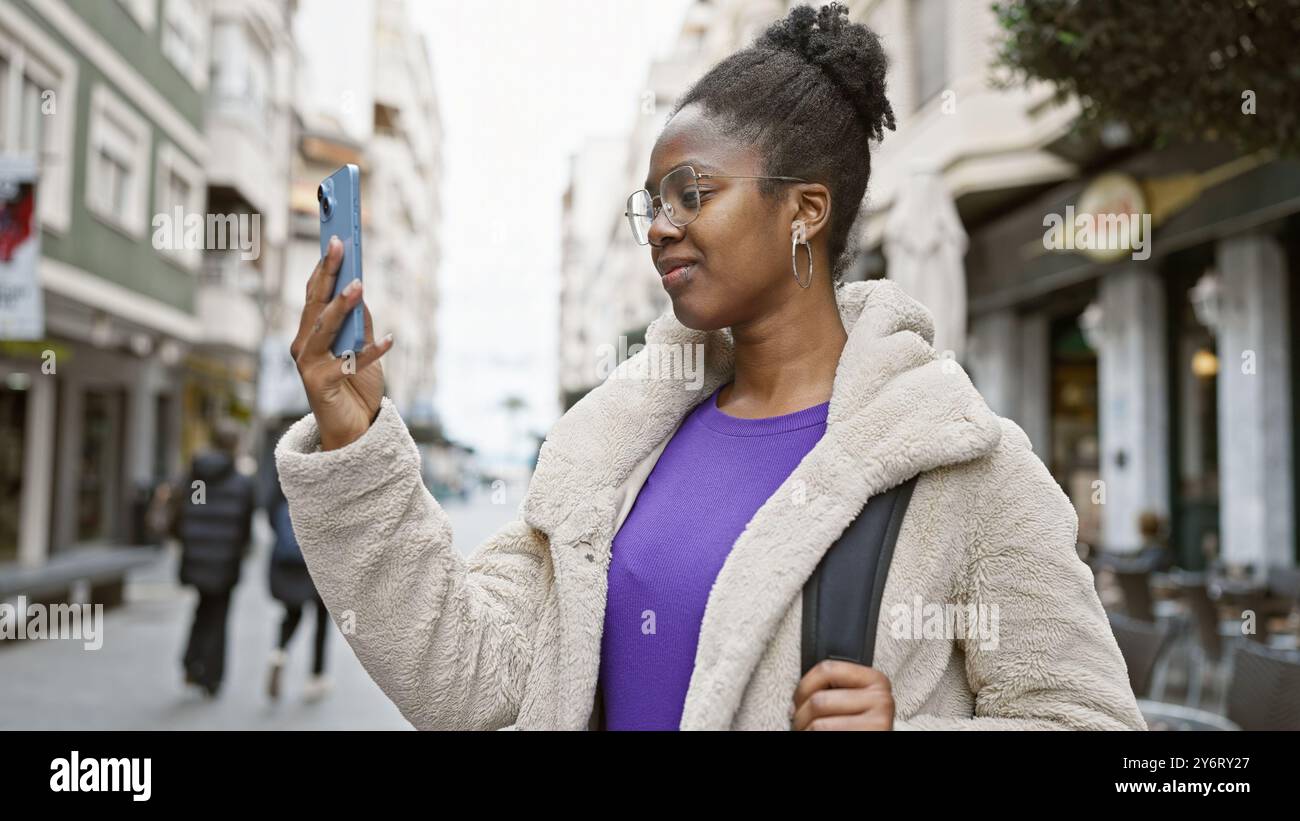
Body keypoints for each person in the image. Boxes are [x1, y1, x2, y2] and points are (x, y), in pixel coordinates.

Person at [275, 3, 1146, 730]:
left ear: (806, 211)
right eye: (650, 204)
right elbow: (463, 672)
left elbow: (1092, 719)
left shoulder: (965, 466)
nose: (659, 226)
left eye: (692, 194)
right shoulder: (613, 450)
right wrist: (355, 440)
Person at [175, 420, 255, 698]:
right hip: (224, 561)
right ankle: (212, 675)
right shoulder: (242, 482)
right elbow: (245, 528)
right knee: (218, 615)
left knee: (201, 608)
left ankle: (190, 663)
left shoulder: (195, 475)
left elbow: (184, 513)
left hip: (196, 557)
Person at [264, 456, 332, 702]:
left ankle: (279, 652)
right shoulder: (331, 462)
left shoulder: (286, 461)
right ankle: (316, 676)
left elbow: (271, 509)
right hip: (321, 557)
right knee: (322, 618)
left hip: (289, 556)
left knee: (292, 613)